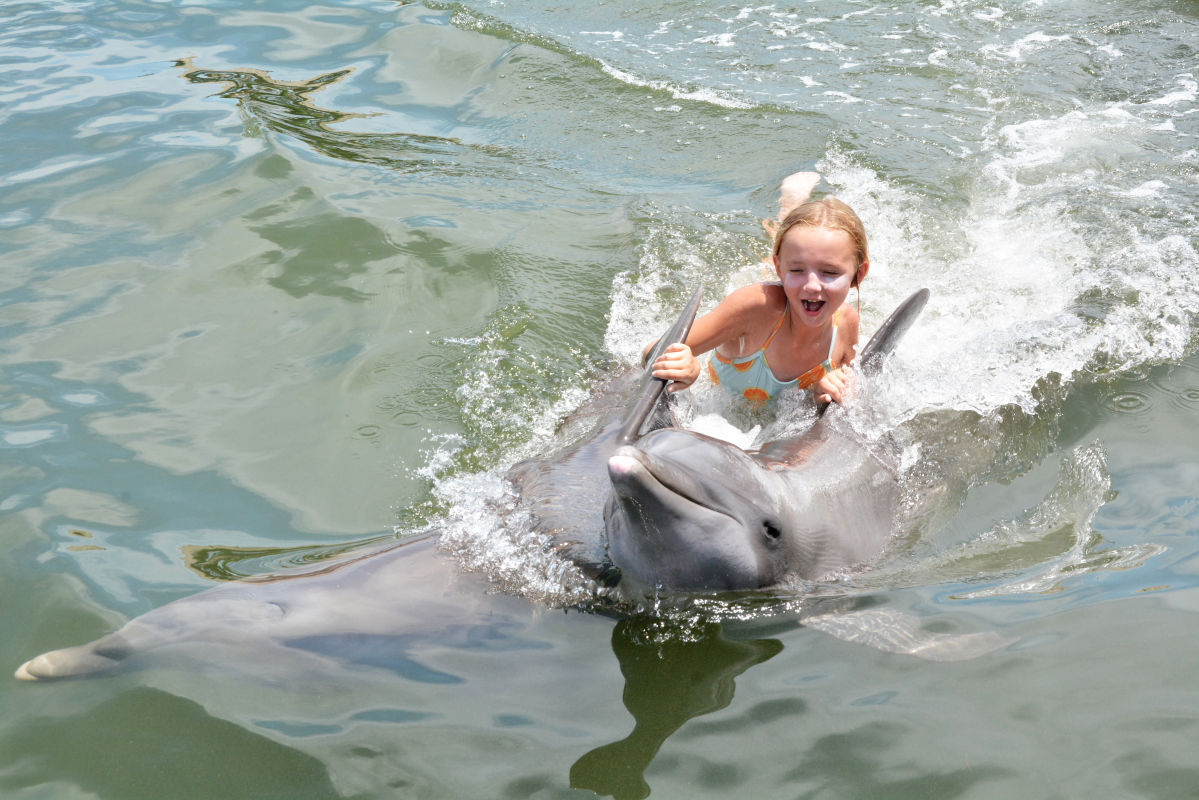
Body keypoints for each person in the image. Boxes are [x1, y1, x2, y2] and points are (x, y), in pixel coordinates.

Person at [646, 172, 868, 406]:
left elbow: (845, 392)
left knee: (797, 261)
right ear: (779, 269)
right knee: (772, 279)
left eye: (830, 273)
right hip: (768, 312)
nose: (812, 286)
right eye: (796, 270)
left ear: (858, 275)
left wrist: (824, 393)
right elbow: (651, 351)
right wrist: (685, 366)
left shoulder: (846, 324)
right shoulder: (753, 308)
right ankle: (788, 207)